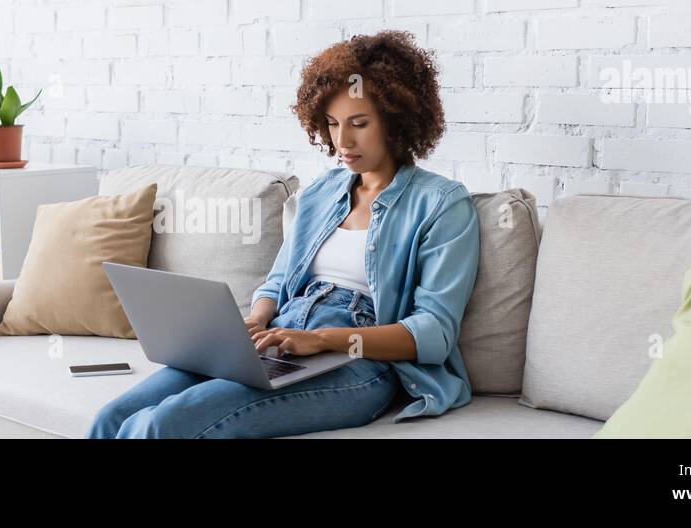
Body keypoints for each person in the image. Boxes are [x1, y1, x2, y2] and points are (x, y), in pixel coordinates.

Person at [86, 30, 481, 439]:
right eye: (331, 124)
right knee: (112, 417)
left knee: (163, 425)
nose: (341, 141)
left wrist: (321, 339)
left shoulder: (441, 204)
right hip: (282, 337)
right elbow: (278, 282)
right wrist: (255, 322)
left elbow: (434, 333)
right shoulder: (322, 192)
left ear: (397, 121)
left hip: (359, 361)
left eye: (359, 124)